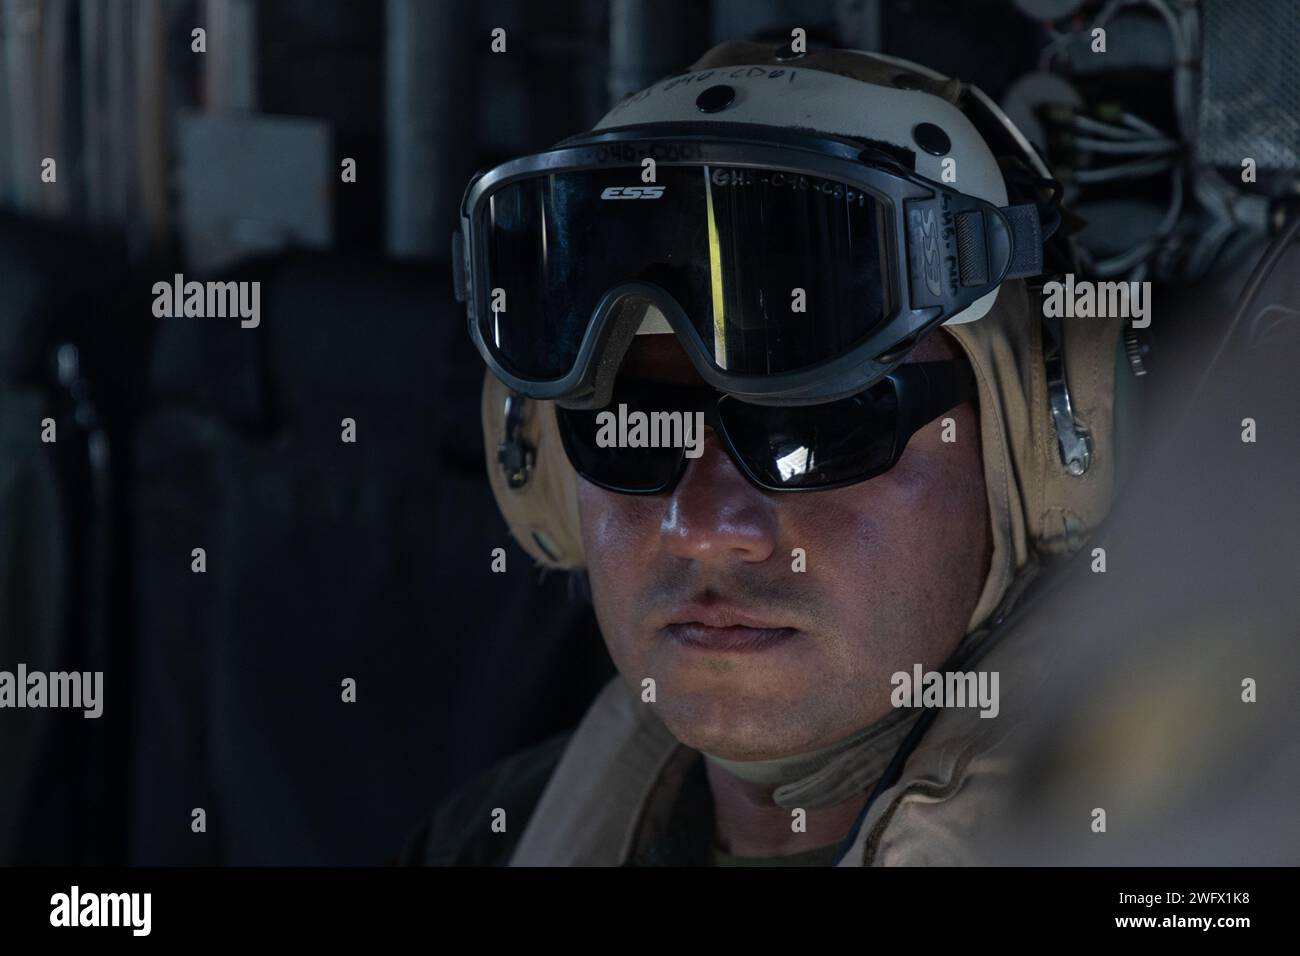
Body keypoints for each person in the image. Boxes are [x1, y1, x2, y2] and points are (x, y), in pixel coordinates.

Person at [400, 40, 1124, 866]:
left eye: (816, 429)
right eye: (627, 427)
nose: (704, 525)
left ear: (1048, 447)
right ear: (536, 466)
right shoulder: (487, 835)